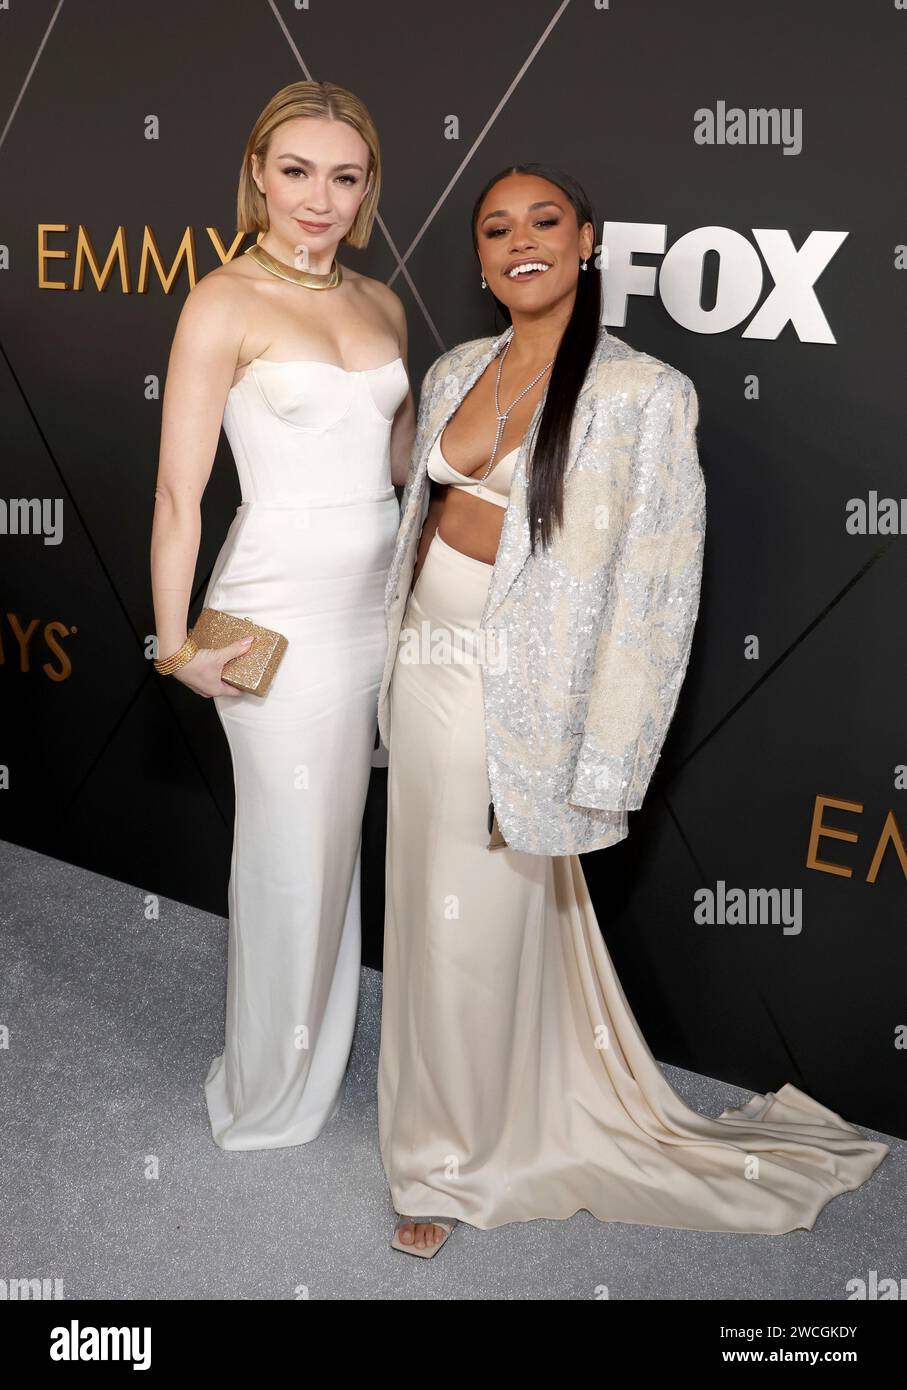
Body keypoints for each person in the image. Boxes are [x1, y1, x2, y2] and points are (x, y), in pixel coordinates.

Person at [375, 164, 889, 1256]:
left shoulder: (642, 393)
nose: (521, 241)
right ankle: (447, 1112)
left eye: (544, 222)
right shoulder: (458, 363)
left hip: (517, 705)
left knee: (474, 931)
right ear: (476, 259)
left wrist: (598, 770)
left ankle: (447, 1165)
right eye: (496, 228)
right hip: (422, 672)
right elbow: (418, 522)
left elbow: (657, 602)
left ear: (587, 240)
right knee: (431, 913)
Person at [150, 81, 412, 1149]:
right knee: (287, 847)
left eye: (343, 177)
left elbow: (400, 471)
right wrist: (172, 645)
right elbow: (179, 494)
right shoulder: (221, 300)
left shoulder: (381, 303)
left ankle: (311, 1048)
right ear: (258, 171)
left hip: (376, 613)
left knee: (335, 841)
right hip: (275, 617)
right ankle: (270, 1083)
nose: (319, 198)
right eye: (297, 171)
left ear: (367, 188)